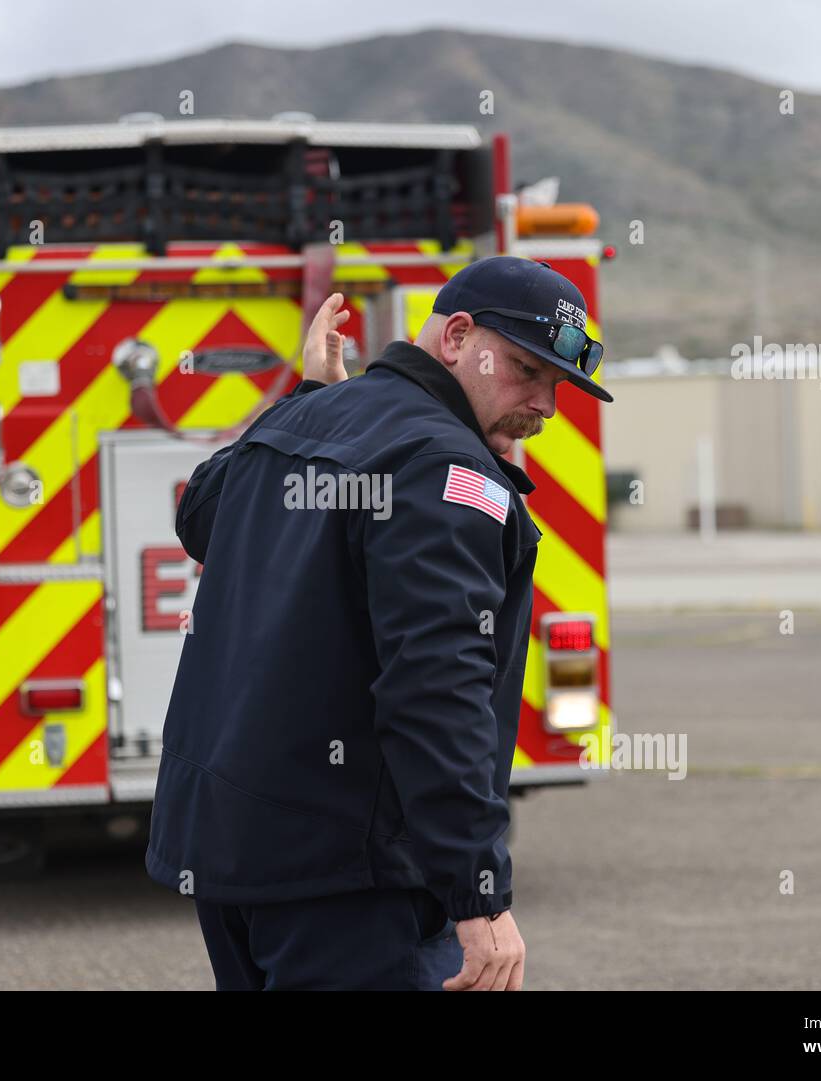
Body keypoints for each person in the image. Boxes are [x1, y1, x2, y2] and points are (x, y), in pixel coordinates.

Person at [145, 255, 613, 990]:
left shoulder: (313, 414)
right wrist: (477, 893)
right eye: (528, 371)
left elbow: (203, 513)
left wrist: (306, 398)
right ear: (458, 336)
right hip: (348, 881)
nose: (546, 405)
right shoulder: (443, 468)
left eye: (559, 385)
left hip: (231, 858)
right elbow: (436, 687)